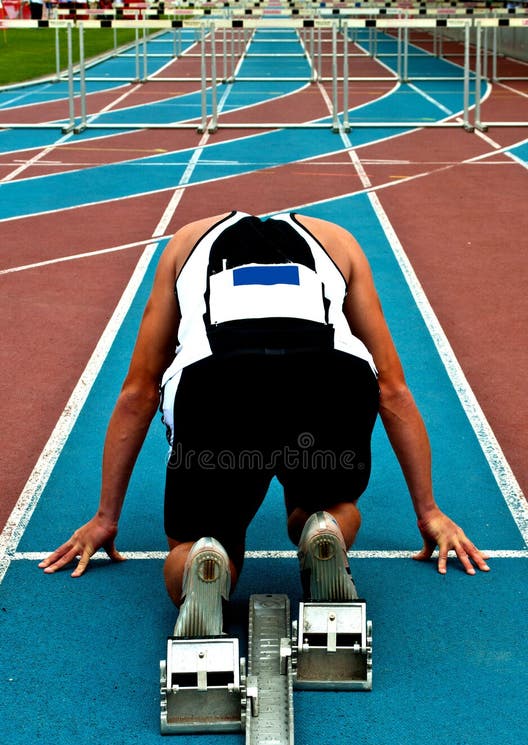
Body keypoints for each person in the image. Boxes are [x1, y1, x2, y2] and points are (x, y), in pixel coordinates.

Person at [39, 211, 489, 637]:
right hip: (329, 378)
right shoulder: (339, 241)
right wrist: (428, 511)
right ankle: (322, 528)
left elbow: (139, 391)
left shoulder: (185, 243)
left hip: (218, 381)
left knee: (199, 541)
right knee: (330, 504)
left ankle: (205, 560)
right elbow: (393, 388)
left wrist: (105, 517)